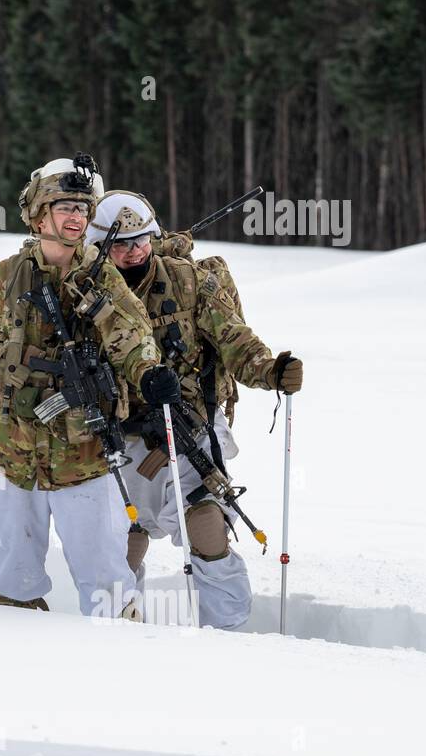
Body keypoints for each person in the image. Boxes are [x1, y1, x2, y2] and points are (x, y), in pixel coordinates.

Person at [0, 155, 178, 616]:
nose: (77, 218)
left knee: (107, 583)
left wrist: (148, 372)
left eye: (83, 209)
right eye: (66, 208)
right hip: (13, 450)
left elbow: (132, 336)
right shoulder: (7, 275)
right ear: (39, 215)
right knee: (12, 575)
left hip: (83, 453)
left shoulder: (101, 275)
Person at [86, 189, 303, 628]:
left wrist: (270, 370)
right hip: (118, 436)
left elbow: (235, 339)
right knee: (123, 540)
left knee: (206, 524)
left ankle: (227, 630)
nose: (133, 252)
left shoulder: (187, 282)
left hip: (189, 428)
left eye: (141, 240)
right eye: (121, 245)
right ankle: (114, 629)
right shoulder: (87, 289)